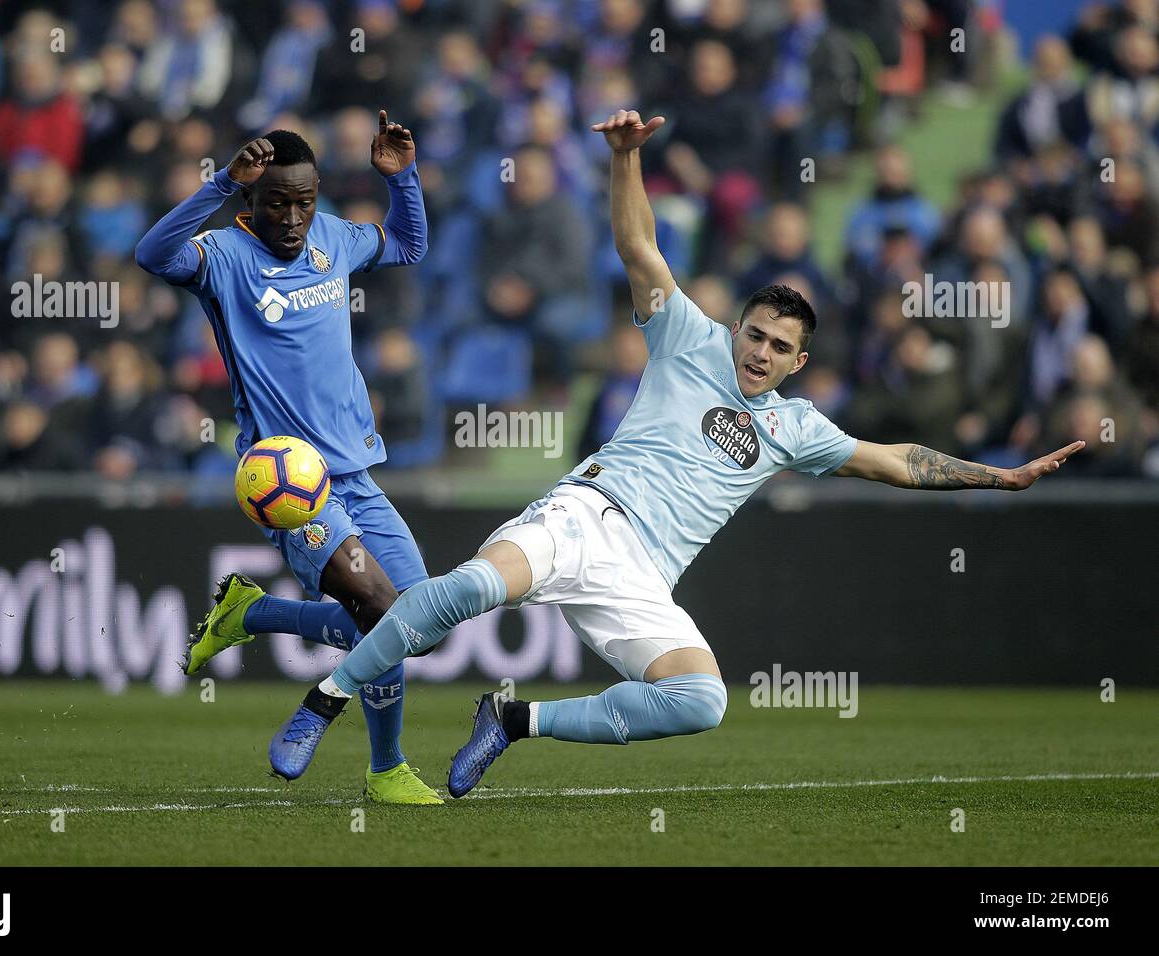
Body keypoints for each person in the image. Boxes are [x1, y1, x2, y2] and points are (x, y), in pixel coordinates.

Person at [266, 110, 1085, 797]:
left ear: (799, 363)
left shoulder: (799, 428)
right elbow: (639, 247)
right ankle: (324, 701)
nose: (759, 352)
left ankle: (513, 719)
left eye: (778, 347)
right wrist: (627, 159)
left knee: (700, 700)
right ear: (738, 329)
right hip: (587, 515)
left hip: (643, 575)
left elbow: (898, 461)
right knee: (466, 591)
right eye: (755, 333)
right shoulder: (688, 337)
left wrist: (998, 476)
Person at [134, 112, 442, 805]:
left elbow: (409, 246)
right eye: (277, 201)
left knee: (420, 625)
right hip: (289, 483)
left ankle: (255, 613)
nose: (295, 216)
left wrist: (402, 178)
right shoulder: (224, 257)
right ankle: (385, 767)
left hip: (356, 473)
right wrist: (218, 183)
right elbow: (153, 255)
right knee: (381, 608)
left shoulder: (334, 237)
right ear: (250, 200)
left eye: (305, 200)